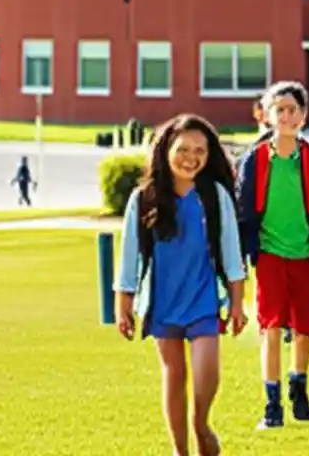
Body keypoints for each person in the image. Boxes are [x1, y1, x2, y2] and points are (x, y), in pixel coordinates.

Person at [115, 114, 249, 456]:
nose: (191, 157)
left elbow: (232, 253)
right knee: (173, 375)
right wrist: (123, 305)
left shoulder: (214, 196)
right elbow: (130, 256)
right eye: (183, 149)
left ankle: (201, 423)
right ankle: (180, 451)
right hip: (162, 303)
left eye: (200, 151)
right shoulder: (144, 198)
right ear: (166, 150)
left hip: (204, 301)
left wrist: (237, 303)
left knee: (208, 373)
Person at [235, 82, 309, 430]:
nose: (286, 115)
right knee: (270, 327)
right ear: (266, 115)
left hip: (307, 256)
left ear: (304, 116)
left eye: (292, 109)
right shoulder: (254, 160)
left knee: (304, 329)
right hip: (269, 255)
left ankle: (299, 386)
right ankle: (272, 403)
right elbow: (244, 212)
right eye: (279, 109)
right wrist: (240, 258)